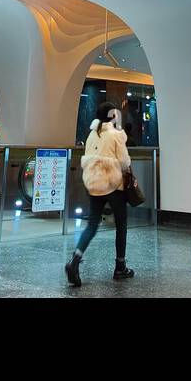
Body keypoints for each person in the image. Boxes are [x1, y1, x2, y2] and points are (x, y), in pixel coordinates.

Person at [65, 101, 133, 286]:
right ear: (112, 116)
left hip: (94, 184)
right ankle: (120, 266)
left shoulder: (92, 135)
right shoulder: (116, 134)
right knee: (121, 224)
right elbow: (124, 162)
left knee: (92, 224)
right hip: (113, 184)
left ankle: (75, 260)